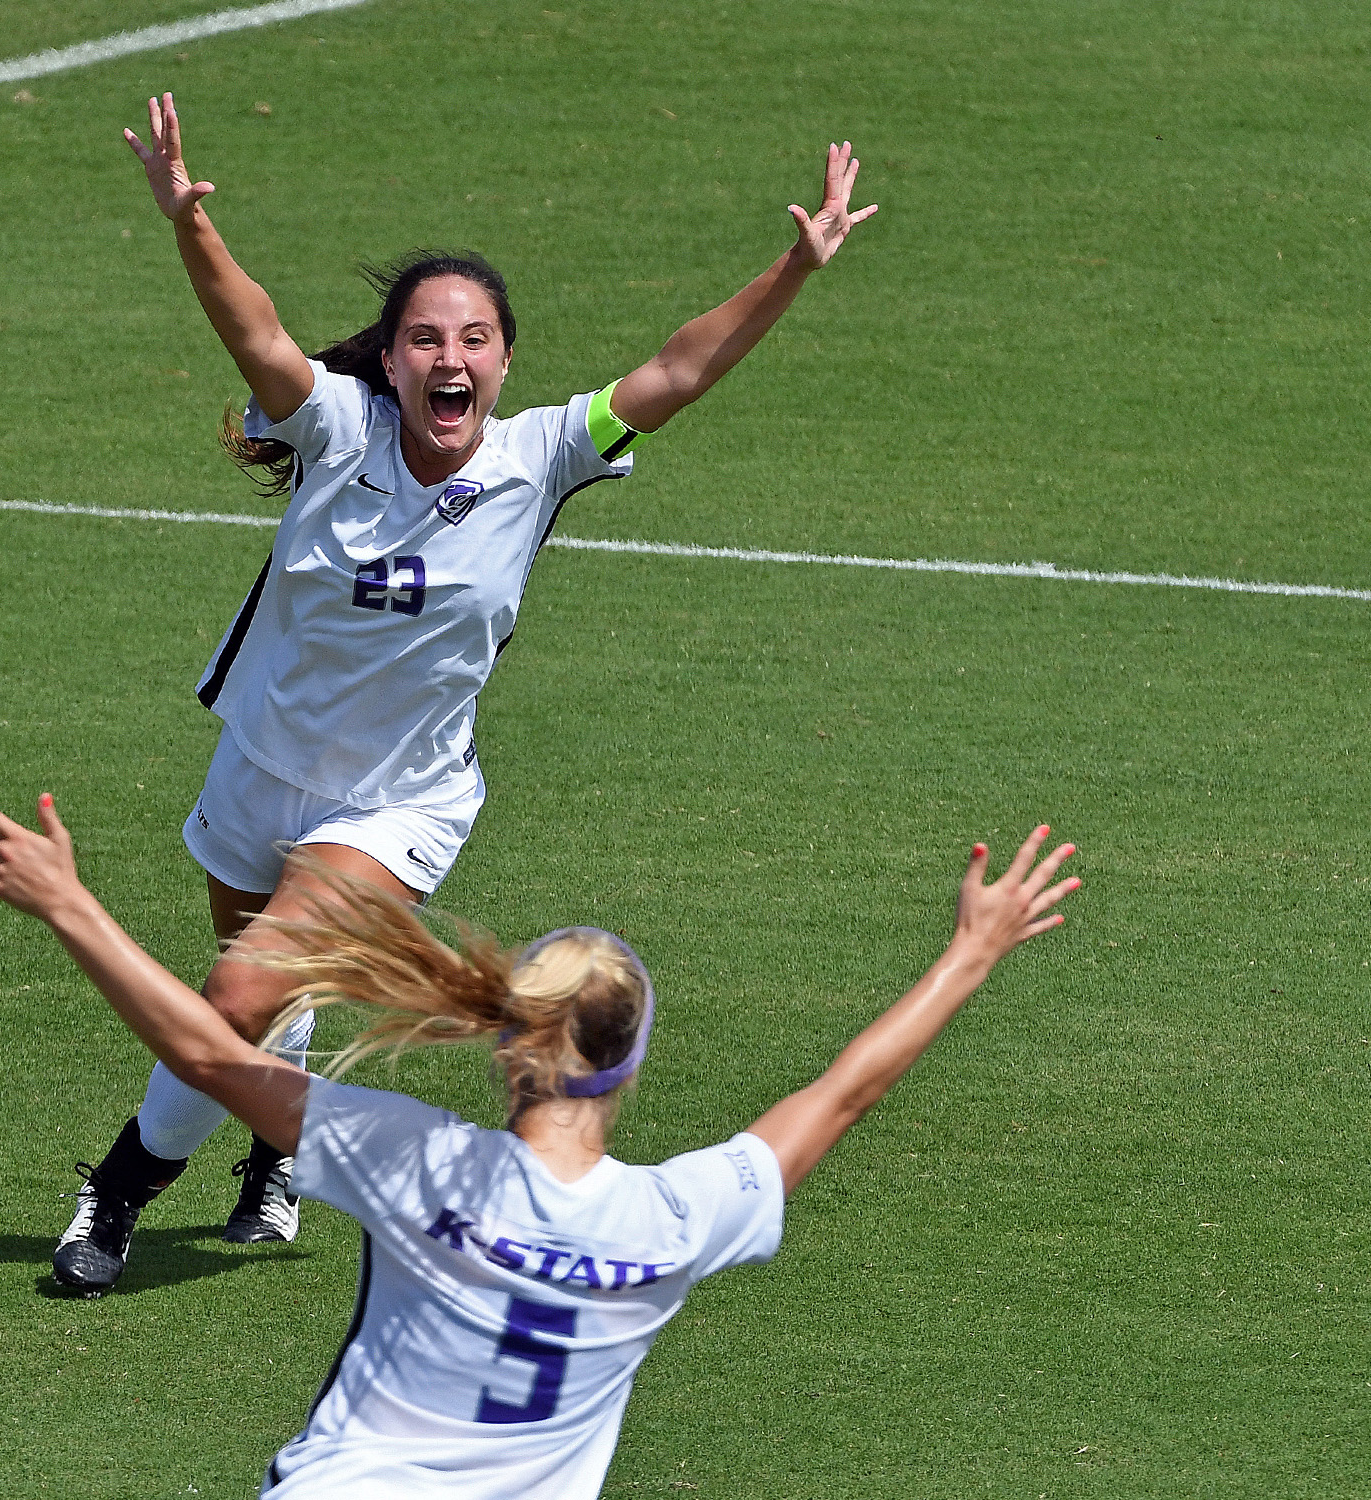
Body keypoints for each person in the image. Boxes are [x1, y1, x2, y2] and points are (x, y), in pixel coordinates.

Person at [59, 91, 881, 1296]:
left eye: (475, 339)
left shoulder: (541, 454)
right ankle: (273, 1160)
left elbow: (677, 367)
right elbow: (259, 337)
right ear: (390, 361)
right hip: (258, 764)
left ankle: (117, 1191)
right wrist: (190, 223)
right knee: (251, 1000)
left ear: (502, 360)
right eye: (427, 340)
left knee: (232, 996)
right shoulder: (334, 427)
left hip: (396, 799)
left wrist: (791, 269)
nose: (452, 359)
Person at [0, 790, 1078, 1494]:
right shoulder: (675, 1221)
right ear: (629, 1066)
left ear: (504, 1048)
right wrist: (972, 951)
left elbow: (205, 1054)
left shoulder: (421, 1163)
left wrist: (69, 906)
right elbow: (840, 1095)